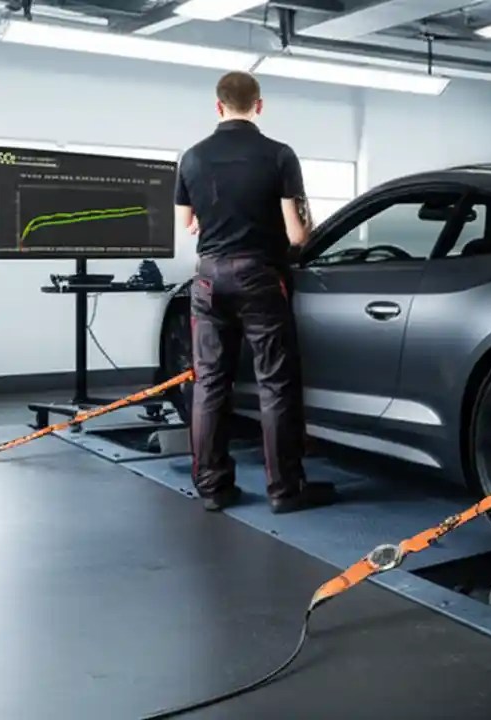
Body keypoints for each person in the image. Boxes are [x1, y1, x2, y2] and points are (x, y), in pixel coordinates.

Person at [174, 70, 335, 514]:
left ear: (218, 105)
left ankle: (213, 488)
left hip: (208, 279)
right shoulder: (279, 155)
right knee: (276, 385)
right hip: (259, 277)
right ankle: (285, 490)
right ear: (259, 105)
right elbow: (298, 234)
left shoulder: (192, 157)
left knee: (209, 383)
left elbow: (186, 223)